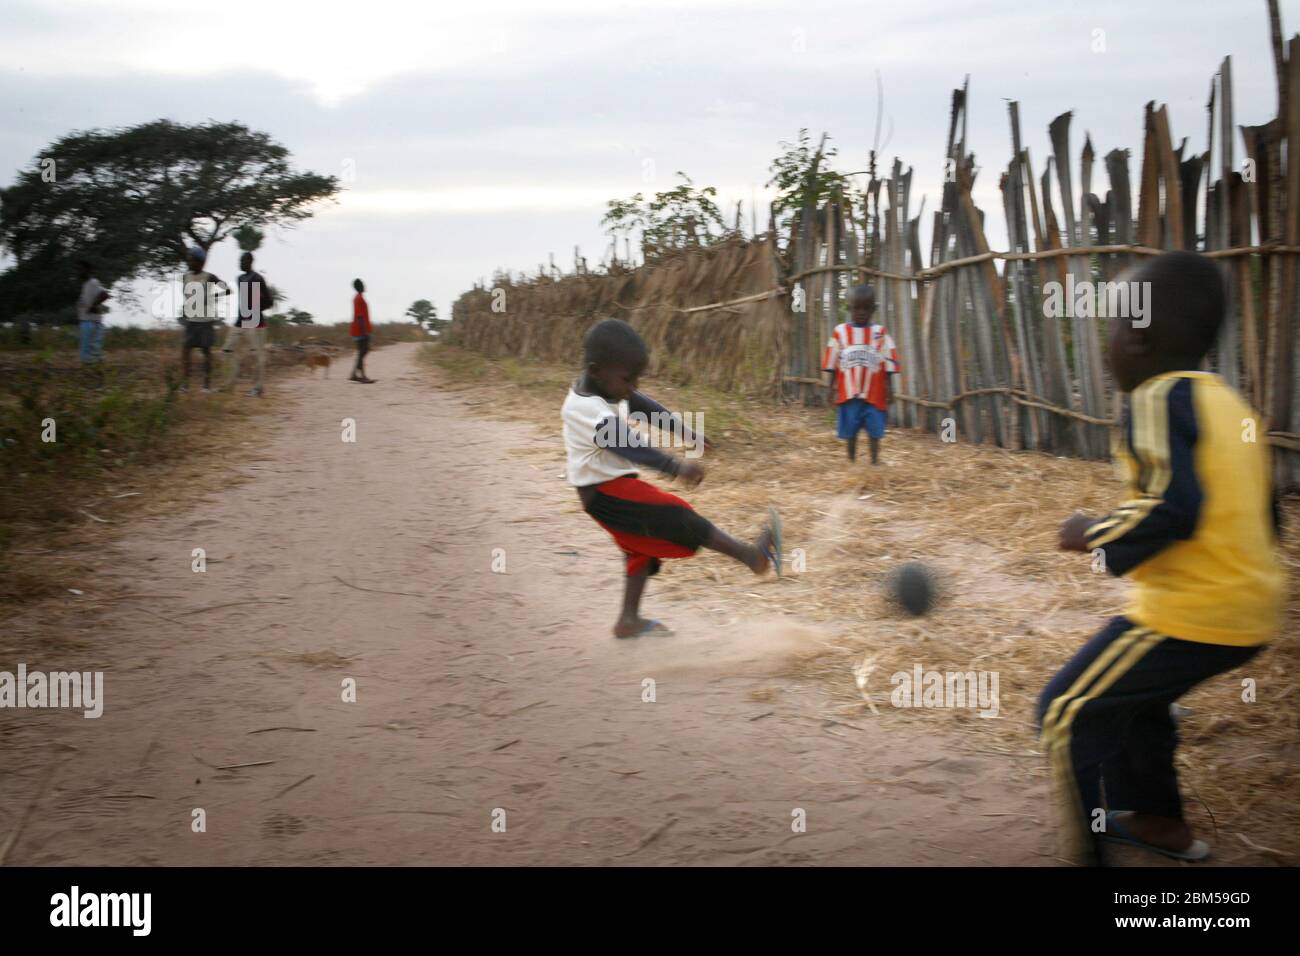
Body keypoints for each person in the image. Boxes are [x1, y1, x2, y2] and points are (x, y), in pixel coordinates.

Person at [1039, 251, 1284, 866]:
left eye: (1112, 328)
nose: (1105, 344)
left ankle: (1085, 856)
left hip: (1190, 612)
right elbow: (1267, 513)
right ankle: (1157, 823)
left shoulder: (1153, 398)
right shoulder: (1232, 407)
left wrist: (1094, 530)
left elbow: (1174, 506)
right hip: (1249, 612)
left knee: (1065, 710)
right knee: (1133, 701)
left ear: (1140, 340)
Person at [563, 318, 781, 638]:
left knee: (639, 549)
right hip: (604, 492)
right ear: (596, 370)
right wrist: (674, 466)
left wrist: (686, 431)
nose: (633, 387)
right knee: (676, 514)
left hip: (610, 488)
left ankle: (628, 621)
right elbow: (625, 442)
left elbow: (643, 407)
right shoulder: (583, 408)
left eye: (637, 379)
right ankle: (752, 557)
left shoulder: (610, 385)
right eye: (629, 379)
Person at [823, 284, 899, 464]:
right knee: (851, 430)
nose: (862, 312)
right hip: (849, 393)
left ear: (874, 309)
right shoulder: (840, 332)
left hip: (874, 392)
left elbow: (888, 360)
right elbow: (833, 361)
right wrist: (830, 388)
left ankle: (874, 461)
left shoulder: (880, 333)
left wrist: (890, 388)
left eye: (867, 308)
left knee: (875, 430)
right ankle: (851, 461)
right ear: (849, 308)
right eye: (857, 308)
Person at [179, 246, 228, 392]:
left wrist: (212, 297)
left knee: (206, 352)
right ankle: (185, 384)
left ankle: (206, 385)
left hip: (206, 321)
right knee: (186, 351)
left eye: (192, 260)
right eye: (189, 259)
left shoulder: (209, 277)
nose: (189, 262)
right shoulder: (185, 277)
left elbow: (227, 289)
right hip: (191, 320)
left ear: (200, 262)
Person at [222, 251, 272, 397]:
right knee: (226, 350)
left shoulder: (257, 278)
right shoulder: (240, 278)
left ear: (250, 261)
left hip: (255, 322)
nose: (240, 263)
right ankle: (229, 384)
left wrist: (255, 309)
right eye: (239, 261)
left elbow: (269, 301)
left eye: (242, 261)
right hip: (240, 321)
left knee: (257, 356)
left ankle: (258, 388)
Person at [76, 260, 110, 364]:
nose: (78, 272)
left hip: (91, 322)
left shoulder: (93, 282)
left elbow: (104, 295)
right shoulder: (86, 284)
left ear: (88, 270)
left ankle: (92, 375)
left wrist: (93, 306)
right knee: (92, 355)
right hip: (88, 321)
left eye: (81, 269)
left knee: (89, 357)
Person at [350, 278, 374, 383]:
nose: (364, 286)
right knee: (363, 351)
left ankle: (355, 374)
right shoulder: (359, 298)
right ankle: (360, 376)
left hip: (358, 329)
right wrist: (364, 332)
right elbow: (360, 316)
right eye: (362, 285)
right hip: (360, 330)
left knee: (363, 351)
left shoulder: (358, 298)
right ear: (359, 287)